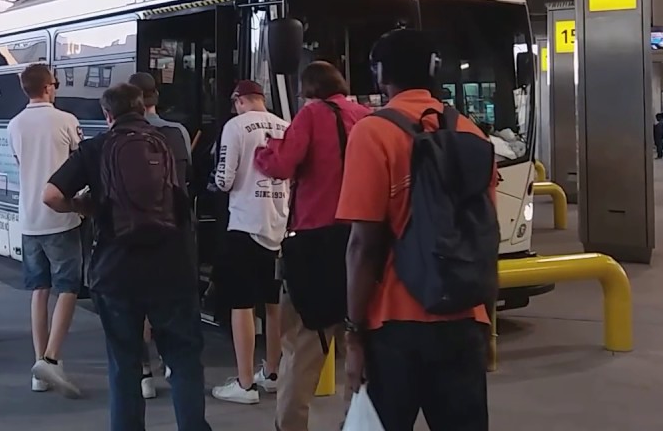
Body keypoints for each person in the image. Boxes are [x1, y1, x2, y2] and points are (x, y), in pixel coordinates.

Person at [338, 29, 497, 431]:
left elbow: (362, 246)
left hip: (394, 324)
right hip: (464, 319)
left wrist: (353, 334)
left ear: (379, 74)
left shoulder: (373, 132)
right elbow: (485, 239)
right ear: (433, 70)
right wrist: (487, 325)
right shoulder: (471, 133)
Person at [43, 83, 211, 431]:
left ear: (108, 115)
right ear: (143, 106)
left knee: (125, 364)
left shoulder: (95, 148)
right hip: (173, 268)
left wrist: (82, 206)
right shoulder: (173, 141)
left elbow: (50, 195)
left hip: (116, 271)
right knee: (184, 360)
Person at [254, 61, 369, 431]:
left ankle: (291, 426)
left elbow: (282, 165)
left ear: (308, 89)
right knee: (362, 349)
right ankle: (356, 423)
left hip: (316, 245)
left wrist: (264, 151)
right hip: (363, 240)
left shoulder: (312, 115)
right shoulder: (365, 116)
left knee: (302, 350)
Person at [7, 63, 84, 397]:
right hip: (61, 217)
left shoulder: (14, 125)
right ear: (48, 87)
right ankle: (51, 358)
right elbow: (79, 165)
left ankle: (39, 366)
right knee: (68, 287)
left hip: (29, 219)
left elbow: (21, 165)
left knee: (39, 290)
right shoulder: (66, 121)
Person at [212, 80, 290, 405]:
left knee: (241, 305)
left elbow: (224, 179)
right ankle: (272, 373)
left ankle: (244, 384)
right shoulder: (286, 125)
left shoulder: (235, 126)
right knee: (274, 304)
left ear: (239, 100)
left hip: (244, 223)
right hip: (279, 224)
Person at [128, 72, 194, 399]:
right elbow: (187, 176)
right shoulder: (177, 132)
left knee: (138, 305)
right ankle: (171, 362)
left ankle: (144, 375)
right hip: (174, 231)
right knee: (170, 301)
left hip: (135, 233)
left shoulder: (120, 137)